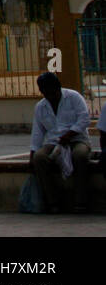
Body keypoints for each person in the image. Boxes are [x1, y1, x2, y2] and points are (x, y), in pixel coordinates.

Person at [29, 72, 92, 213]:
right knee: (39, 158)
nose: (49, 95)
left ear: (58, 87)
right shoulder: (41, 106)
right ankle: (53, 201)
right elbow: (38, 132)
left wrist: (70, 134)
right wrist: (33, 152)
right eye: (45, 92)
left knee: (80, 156)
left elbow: (84, 119)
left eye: (51, 91)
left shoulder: (74, 97)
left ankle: (80, 201)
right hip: (54, 142)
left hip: (77, 139)